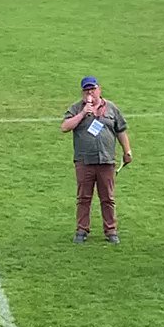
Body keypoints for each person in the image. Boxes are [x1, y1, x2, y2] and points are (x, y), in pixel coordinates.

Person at [61, 76, 132, 244]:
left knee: (107, 197)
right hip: (84, 161)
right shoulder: (77, 107)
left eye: (92, 89)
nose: (90, 92)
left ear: (99, 89)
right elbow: (65, 127)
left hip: (106, 161)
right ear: (82, 92)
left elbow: (121, 130)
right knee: (84, 198)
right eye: (86, 90)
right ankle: (81, 230)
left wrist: (127, 151)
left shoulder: (111, 108)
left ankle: (111, 230)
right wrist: (83, 113)